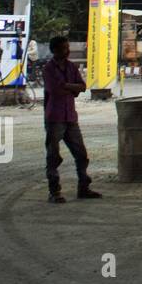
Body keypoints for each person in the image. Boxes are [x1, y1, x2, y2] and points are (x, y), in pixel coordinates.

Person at [42, 36, 101, 204]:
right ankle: (54, 192)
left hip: (70, 117)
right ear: (54, 50)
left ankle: (84, 187)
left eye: (67, 48)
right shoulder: (49, 69)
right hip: (55, 117)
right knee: (53, 156)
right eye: (63, 48)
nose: (66, 51)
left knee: (81, 154)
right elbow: (56, 90)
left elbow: (82, 86)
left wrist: (67, 86)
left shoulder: (70, 67)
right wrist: (72, 87)